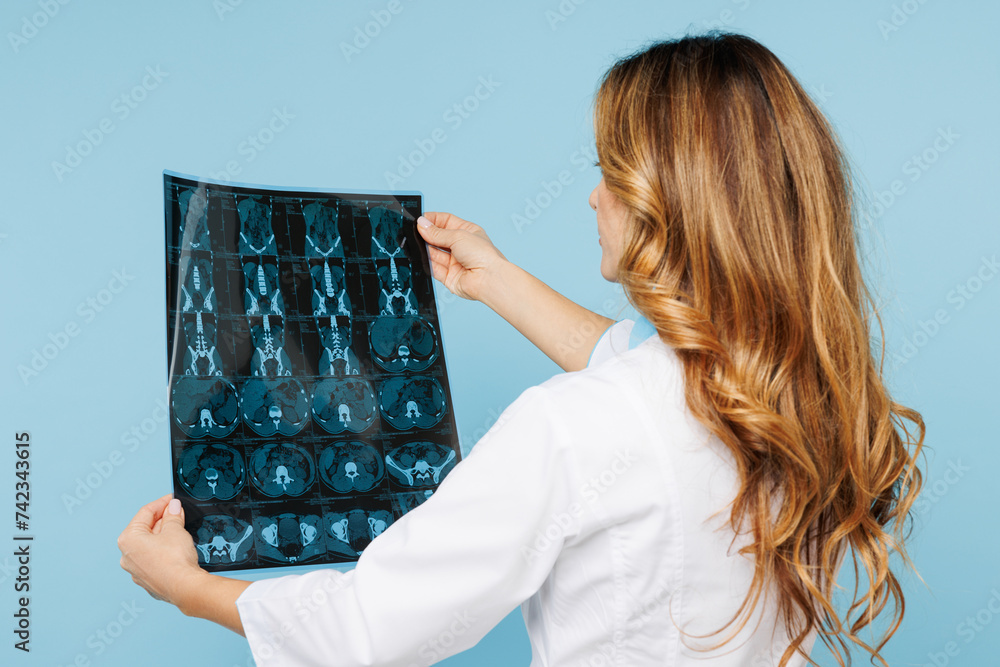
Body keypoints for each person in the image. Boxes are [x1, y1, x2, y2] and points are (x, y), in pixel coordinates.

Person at [118, 32, 925, 667]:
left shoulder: (571, 427)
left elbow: (365, 632)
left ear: (665, 205)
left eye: (611, 171)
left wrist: (185, 587)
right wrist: (495, 278)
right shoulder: (794, 396)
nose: (593, 193)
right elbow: (636, 377)